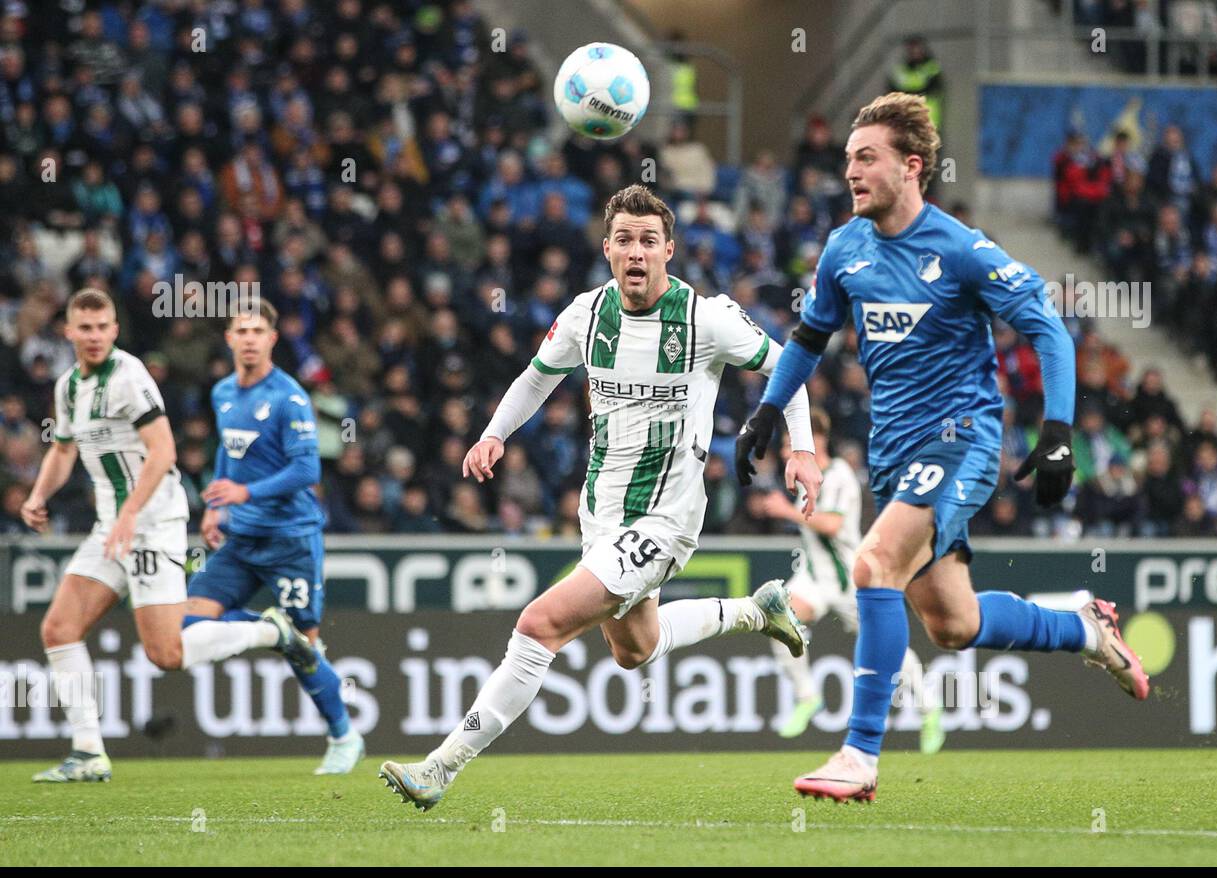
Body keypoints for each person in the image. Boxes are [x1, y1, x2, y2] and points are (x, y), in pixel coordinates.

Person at [735, 93, 1149, 804]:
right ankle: (1082, 627)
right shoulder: (844, 250)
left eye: (867, 158)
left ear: (912, 166)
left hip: (963, 436)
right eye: (848, 160)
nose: (852, 172)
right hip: (894, 455)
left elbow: (1049, 328)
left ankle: (859, 755)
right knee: (953, 625)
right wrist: (769, 412)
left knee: (873, 565)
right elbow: (808, 338)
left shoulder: (959, 249)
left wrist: (1056, 433)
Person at [379, 185, 816, 811]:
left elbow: (788, 368)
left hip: (665, 518)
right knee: (632, 650)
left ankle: (440, 767)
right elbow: (537, 377)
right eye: (624, 240)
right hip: (600, 512)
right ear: (607, 248)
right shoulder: (586, 316)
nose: (636, 252)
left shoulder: (705, 319)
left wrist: (801, 447)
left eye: (648, 241)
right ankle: (756, 611)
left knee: (539, 624)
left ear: (668, 249)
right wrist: (494, 434)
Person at [23, 289, 320, 782]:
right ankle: (88, 752)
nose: (94, 337)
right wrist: (37, 496)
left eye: (103, 327)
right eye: (85, 328)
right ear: (69, 332)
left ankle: (272, 630)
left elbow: (163, 453)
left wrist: (129, 515)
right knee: (58, 629)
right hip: (111, 527)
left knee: (167, 654)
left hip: (152, 522)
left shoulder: (129, 376)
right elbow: (62, 450)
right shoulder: (68, 387)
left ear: (115, 330)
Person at [188, 299, 365, 775]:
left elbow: (307, 469)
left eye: (257, 331)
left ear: (271, 339)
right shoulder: (223, 392)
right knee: (187, 625)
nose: (248, 338)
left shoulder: (289, 397)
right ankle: (270, 629)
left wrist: (243, 492)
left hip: (289, 538)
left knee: (307, 646)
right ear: (229, 338)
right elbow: (228, 455)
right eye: (240, 330)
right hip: (241, 539)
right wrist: (215, 507)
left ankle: (344, 736)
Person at [761, 409, 944, 752]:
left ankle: (929, 708)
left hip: (850, 579)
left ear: (816, 440)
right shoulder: (807, 478)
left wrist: (785, 511)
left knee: (889, 647)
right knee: (778, 619)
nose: (786, 452)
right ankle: (808, 698)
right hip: (814, 578)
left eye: (790, 444)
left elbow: (831, 525)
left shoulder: (841, 475)